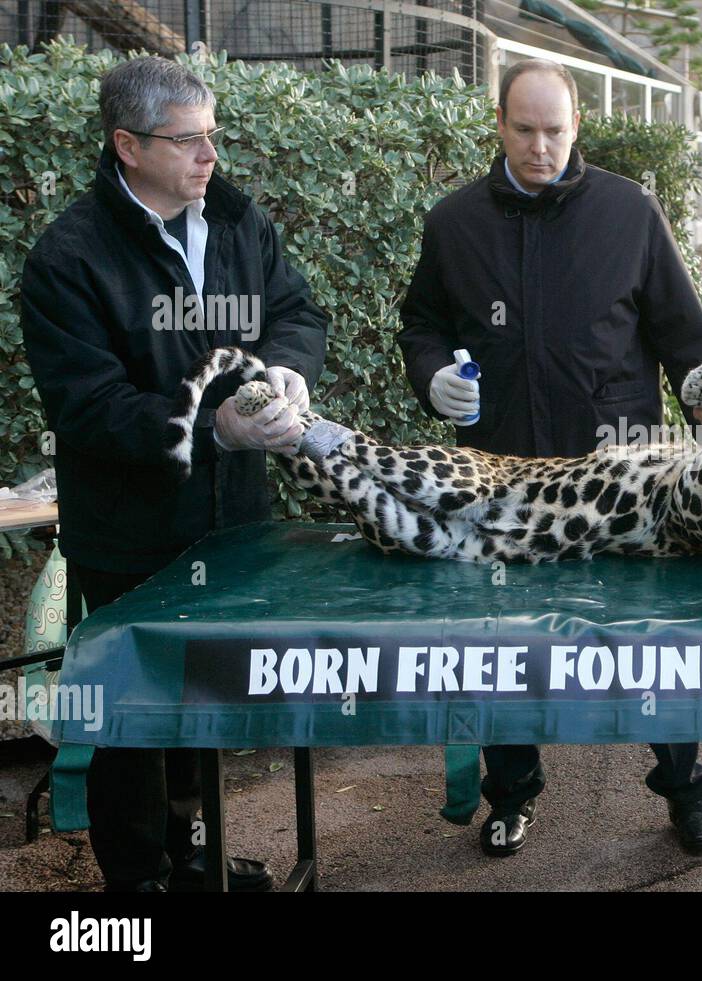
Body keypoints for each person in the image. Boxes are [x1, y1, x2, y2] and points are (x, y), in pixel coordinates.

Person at [398, 58, 702, 856]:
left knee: (649, 639)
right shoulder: (454, 223)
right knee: (502, 644)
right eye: (524, 129)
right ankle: (510, 795)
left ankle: (686, 792)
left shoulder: (628, 211)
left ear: (577, 125)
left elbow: (683, 337)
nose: (540, 146)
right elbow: (421, 324)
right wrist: (433, 374)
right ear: (500, 125)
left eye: (554, 129)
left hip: (618, 483)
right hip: (501, 481)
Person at [21, 56, 328, 891]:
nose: (210, 157)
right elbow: (92, 408)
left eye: (214, 135)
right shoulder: (68, 258)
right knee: (130, 712)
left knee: (205, 695)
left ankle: (194, 850)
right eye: (189, 140)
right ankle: (140, 881)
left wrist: (290, 367)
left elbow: (296, 309)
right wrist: (211, 427)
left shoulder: (234, 220)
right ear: (127, 145)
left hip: (233, 523)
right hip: (129, 530)